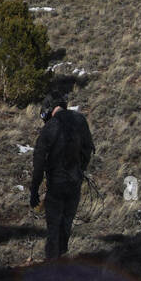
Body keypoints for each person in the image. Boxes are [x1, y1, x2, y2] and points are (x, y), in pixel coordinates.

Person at [30, 95, 95, 260]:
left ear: (49, 108)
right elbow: (88, 149)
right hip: (75, 183)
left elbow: (38, 163)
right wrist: (80, 170)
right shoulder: (80, 120)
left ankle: (52, 266)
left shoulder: (50, 127)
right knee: (66, 225)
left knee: (53, 228)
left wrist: (34, 190)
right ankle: (61, 259)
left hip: (57, 184)